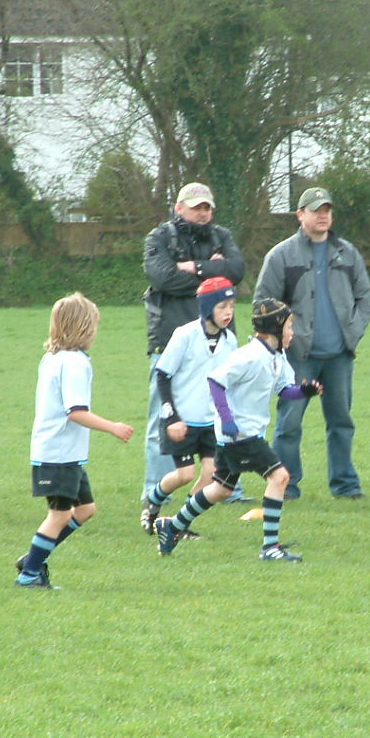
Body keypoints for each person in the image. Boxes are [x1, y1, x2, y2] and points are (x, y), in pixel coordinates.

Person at [154, 299, 321, 562]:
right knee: (280, 478)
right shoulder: (249, 355)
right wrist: (227, 419)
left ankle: (172, 525)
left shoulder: (276, 356)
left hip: (245, 433)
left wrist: (304, 391)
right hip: (241, 435)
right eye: (289, 326)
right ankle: (270, 548)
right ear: (275, 328)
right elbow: (215, 381)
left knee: (221, 489)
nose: (293, 332)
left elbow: (283, 390)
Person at [255, 186, 370, 500]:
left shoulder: (347, 253)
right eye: (316, 210)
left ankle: (345, 485)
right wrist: (284, 339)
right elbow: (263, 303)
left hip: (339, 356)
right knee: (289, 423)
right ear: (300, 214)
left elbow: (364, 298)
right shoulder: (281, 255)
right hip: (298, 357)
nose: (323, 216)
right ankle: (286, 485)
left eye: (327, 210)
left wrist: (353, 332)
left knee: (341, 422)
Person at [14, 294, 134, 589]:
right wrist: (113, 427)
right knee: (59, 515)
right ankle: (29, 575)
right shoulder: (74, 363)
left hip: (65, 453)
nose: (95, 332)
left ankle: (33, 558)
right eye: (94, 326)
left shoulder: (53, 357)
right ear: (83, 328)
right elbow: (76, 412)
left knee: (85, 509)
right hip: (58, 453)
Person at [142, 183, 246, 507]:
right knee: (163, 419)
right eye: (196, 207)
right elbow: (163, 278)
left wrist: (195, 267)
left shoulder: (222, 235)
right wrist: (214, 273)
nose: (203, 213)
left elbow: (237, 270)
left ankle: (226, 489)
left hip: (217, 343)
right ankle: (155, 491)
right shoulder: (160, 237)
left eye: (207, 207)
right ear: (179, 208)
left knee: (223, 412)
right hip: (171, 341)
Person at [140, 276, 238, 535]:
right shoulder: (184, 335)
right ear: (207, 308)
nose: (228, 312)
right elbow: (163, 375)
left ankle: (178, 524)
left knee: (211, 474)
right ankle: (153, 501)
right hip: (181, 420)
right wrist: (171, 417)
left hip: (211, 421)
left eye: (231, 306)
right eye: (222, 307)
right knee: (184, 475)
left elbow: (227, 383)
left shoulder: (230, 341)